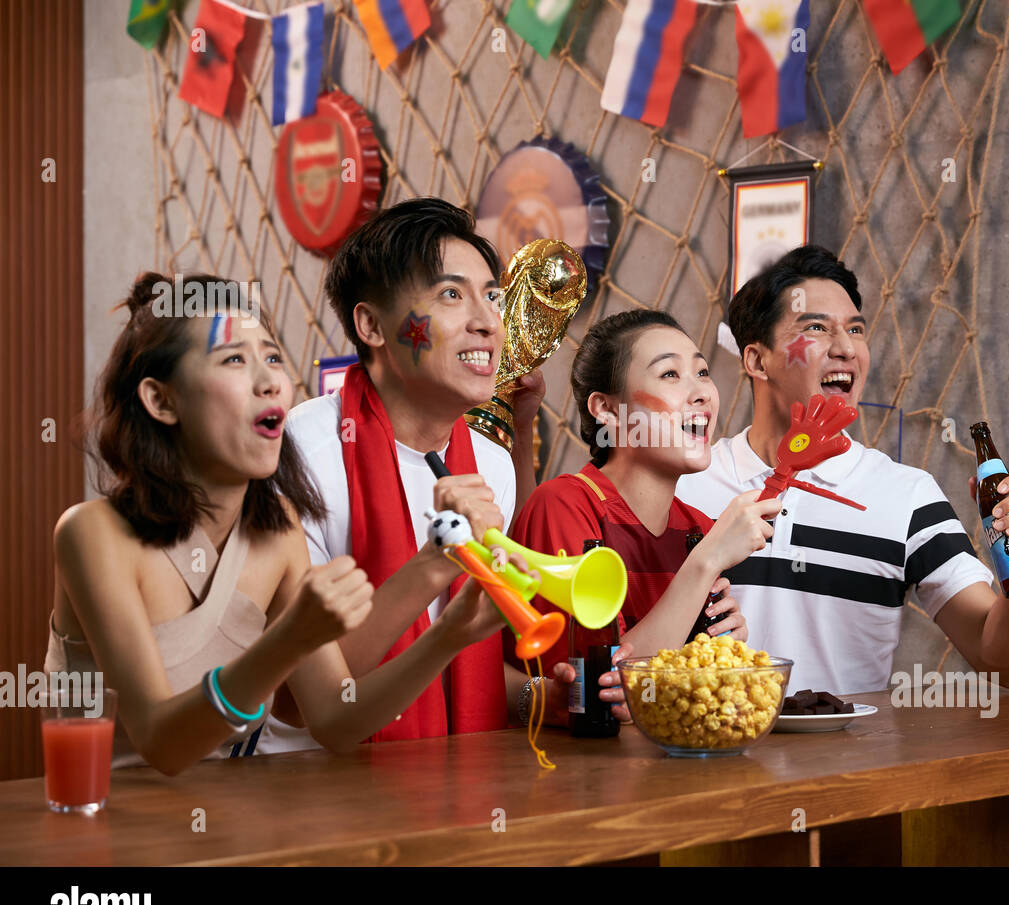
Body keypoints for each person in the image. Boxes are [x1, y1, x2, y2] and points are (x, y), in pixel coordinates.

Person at [47, 273, 514, 775]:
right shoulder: (91, 534)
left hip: (237, 836)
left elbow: (335, 719)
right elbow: (162, 745)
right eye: (233, 360)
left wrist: (447, 636)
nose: (271, 380)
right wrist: (288, 640)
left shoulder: (277, 531)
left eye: (271, 357)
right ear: (161, 400)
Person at [676, 246, 1009, 695]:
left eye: (855, 330)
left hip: (849, 762)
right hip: (702, 756)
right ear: (757, 361)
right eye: (815, 327)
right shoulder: (683, 485)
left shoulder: (908, 495)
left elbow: (1001, 663)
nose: (845, 348)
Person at [260, 198, 547, 751]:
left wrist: (546, 698)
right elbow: (298, 700)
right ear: (371, 324)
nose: (488, 322)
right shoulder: (297, 453)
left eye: (492, 296)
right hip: (306, 787)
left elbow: (455, 668)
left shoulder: (490, 463)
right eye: (450, 294)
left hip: (455, 780)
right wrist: (433, 567)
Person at [508, 309, 782, 724]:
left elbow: (680, 698)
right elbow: (601, 695)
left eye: (703, 372)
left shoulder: (697, 527)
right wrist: (705, 562)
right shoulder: (564, 506)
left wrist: (718, 650)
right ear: (607, 409)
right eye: (670, 374)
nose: (703, 393)